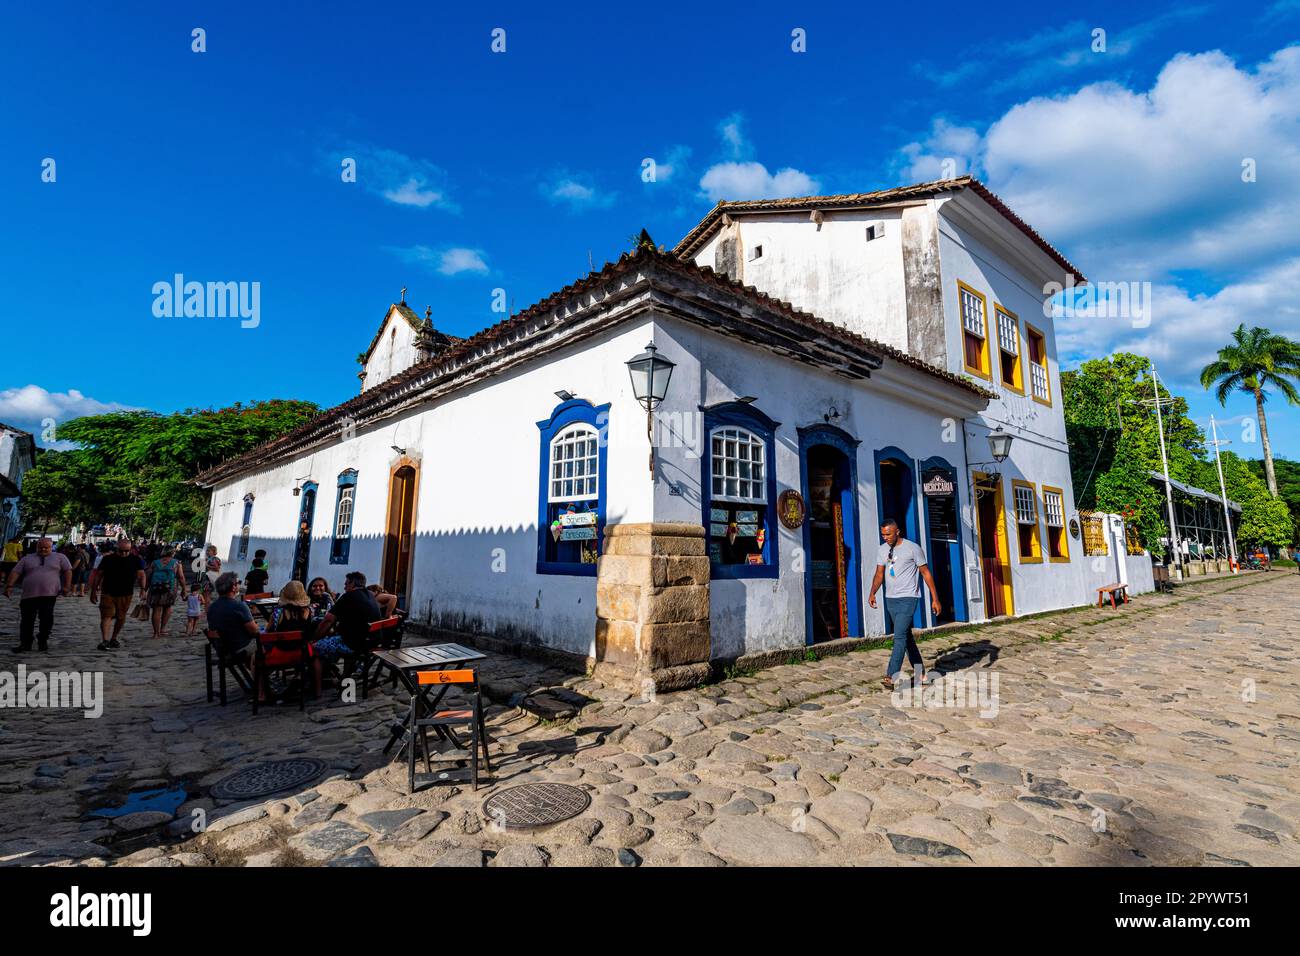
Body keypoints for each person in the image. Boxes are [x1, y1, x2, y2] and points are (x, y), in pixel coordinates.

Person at [867, 519, 943, 690]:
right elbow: (879, 574)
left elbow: (926, 573)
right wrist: (872, 592)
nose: (885, 537)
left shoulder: (912, 548)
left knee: (899, 636)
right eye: (883, 534)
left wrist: (935, 598)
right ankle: (921, 674)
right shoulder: (882, 549)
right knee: (906, 637)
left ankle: (891, 676)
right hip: (891, 599)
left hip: (909, 598)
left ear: (897, 531)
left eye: (888, 534)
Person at [4, 537, 73, 653]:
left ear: (52, 547)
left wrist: (67, 586)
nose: (43, 549)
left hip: (49, 594)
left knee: (46, 619)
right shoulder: (27, 558)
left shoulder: (60, 557)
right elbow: (16, 572)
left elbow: (68, 571)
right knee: (27, 620)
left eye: (46, 547)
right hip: (29, 595)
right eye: (41, 547)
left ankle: (43, 640)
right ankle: (26, 643)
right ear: (36, 547)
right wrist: (9, 586)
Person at [205, 572, 262, 698]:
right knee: (268, 646)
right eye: (238, 583)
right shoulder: (239, 606)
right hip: (239, 647)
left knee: (253, 654)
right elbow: (254, 631)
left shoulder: (212, 608)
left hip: (224, 648)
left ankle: (253, 680)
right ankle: (262, 684)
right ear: (233, 587)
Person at [312, 571, 382, 669]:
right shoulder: (370, 595)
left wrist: (316, 639)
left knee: (315, 648)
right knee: (335, 638)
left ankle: (318, 684)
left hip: (355, 645)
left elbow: (328, 620)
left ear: (352, 584)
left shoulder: (349, 596)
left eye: (346, 584)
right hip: (372, 642)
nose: (344, 587)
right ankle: (343, 676)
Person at [264, 579, 320, 697]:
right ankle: (315, 689)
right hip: (303, 654)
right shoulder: (310, 611)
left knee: (257, 658)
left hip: (280, 654)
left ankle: (262, 693)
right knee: (315, 656)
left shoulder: (278, 613)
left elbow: (268, 633)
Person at [89, 538, 147, 650]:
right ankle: (105, 640)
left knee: (121, 617)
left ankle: (114, 638)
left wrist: (143, 589)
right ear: (117, 549)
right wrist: (94, 591)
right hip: (108, 592)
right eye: (121, 551)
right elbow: (99, 575)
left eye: (127, 551)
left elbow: (141, 575)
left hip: (126, 593)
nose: (124, 553)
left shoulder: (135, 560)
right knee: (106, 616)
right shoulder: (107, 559)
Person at [145, 545, 186, 639]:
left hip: (155, 588)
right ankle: (162, 629)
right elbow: (181, 577)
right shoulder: (176, 563)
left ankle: (156, 633)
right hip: (170, 588)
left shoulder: (155, 563)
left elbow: (148, 577)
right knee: (167, 607)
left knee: (156, 609)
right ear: (172, 552)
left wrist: (144, 589)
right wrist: (184, 589)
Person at [200, 545, 222, 610]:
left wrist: (207, 565)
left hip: (208, 580)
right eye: (207, 551)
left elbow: (217, 568)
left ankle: (208, 611)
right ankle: (208, 610)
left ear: (213, 551)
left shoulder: (214, 559)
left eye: (209, 551)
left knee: (206, 597)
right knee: (205, 596)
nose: (207, 552)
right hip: (207, 579)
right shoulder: (210, 559)